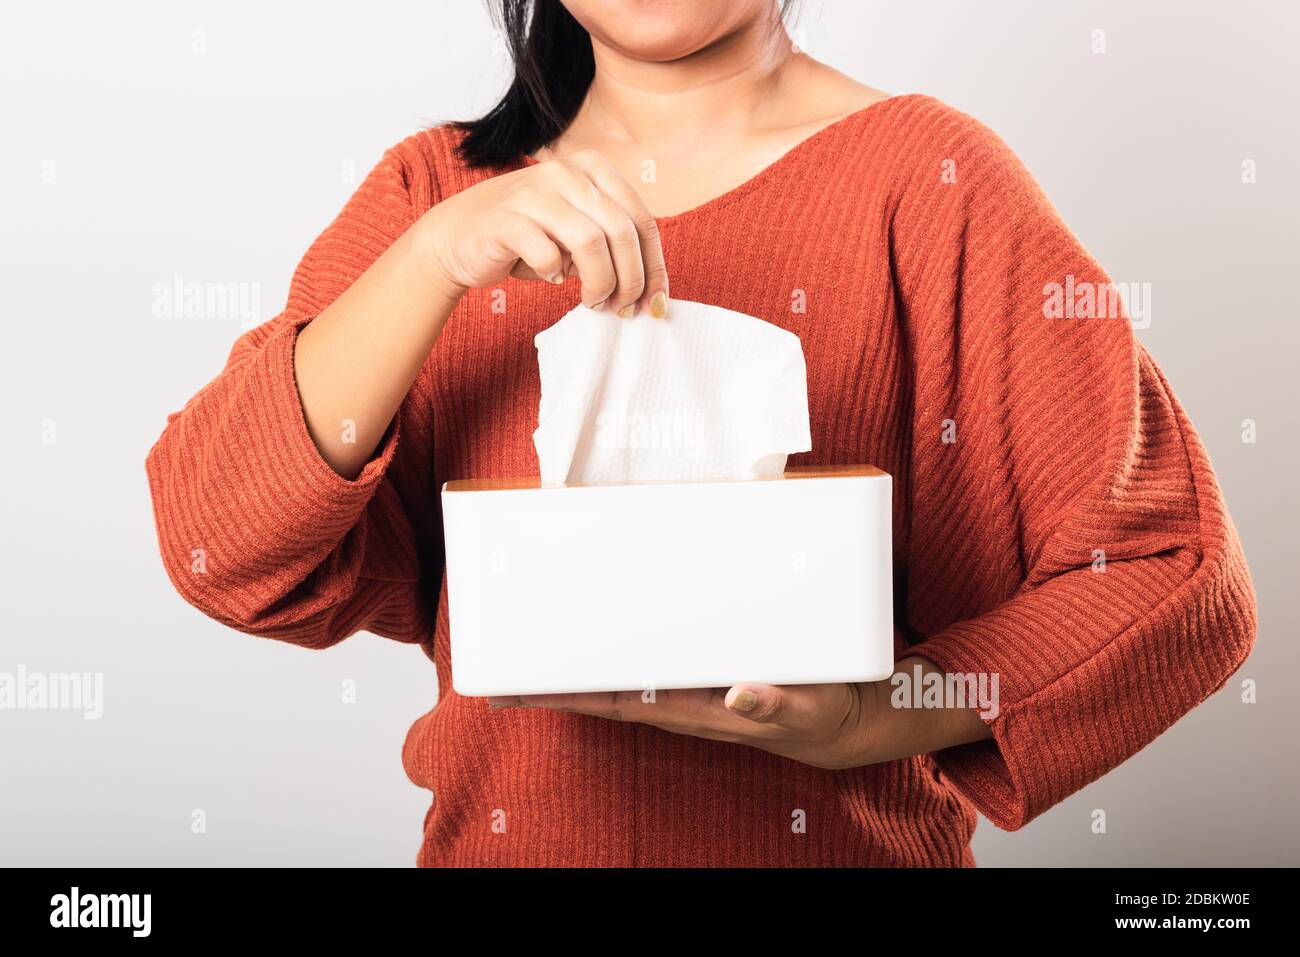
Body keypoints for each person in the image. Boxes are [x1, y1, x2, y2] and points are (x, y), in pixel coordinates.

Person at [146, 0, 1256, 866]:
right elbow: (218, 545)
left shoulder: (932, 185)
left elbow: (1173, 575)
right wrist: (437, 259)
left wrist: (877, 714)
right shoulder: (433, 196)